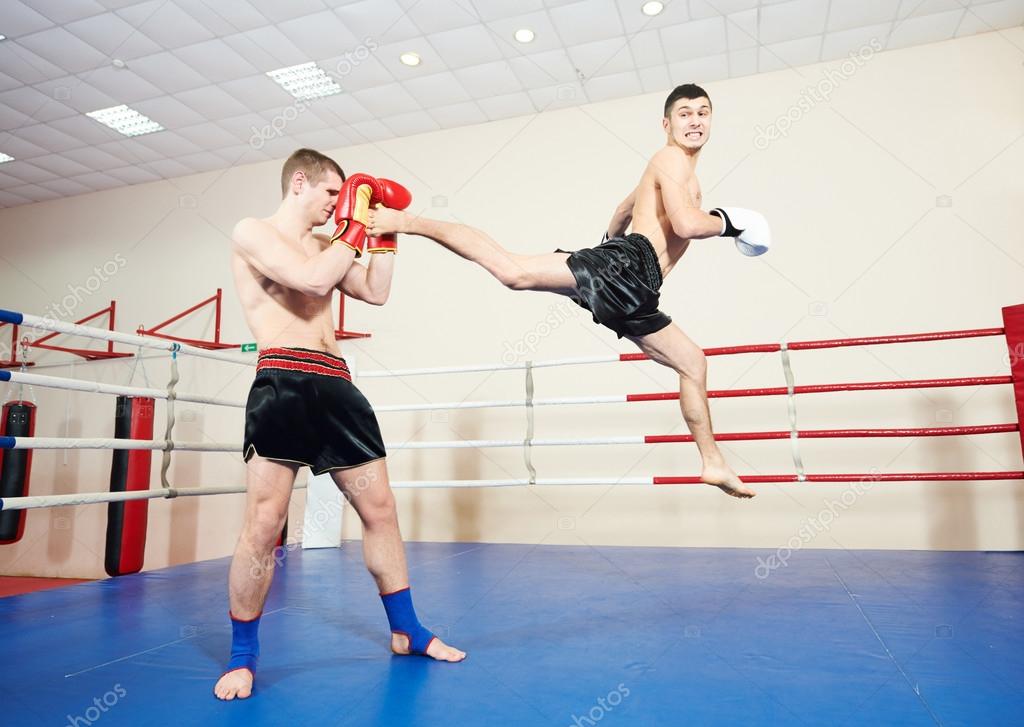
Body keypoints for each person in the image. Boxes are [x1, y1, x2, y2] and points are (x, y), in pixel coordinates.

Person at [366, 84, 770, 500]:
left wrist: (605, 248)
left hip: (638, 285)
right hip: (628, 269)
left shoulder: (672, 169)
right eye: (685, 113)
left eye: (703, 113)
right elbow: (686, 225)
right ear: (667, 124)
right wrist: (729, 222)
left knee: (693, 364)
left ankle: (713, 462)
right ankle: (407, 221)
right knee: (513, 271)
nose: (695, 121)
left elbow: (622, 211)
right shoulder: (670, 159)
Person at [215, 149, 466, 702]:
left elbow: (375, 291)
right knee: (265, 520)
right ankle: (242, 656)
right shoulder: (252, 231)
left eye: (344, 195)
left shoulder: (333, 243)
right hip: (283, 382)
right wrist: (357, 221)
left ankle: (408, 631)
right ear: (299, 182)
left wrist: (386, 232)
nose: (340, 202)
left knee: (381, 511)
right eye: (334, 192)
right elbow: (308, 283)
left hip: (337, 384)